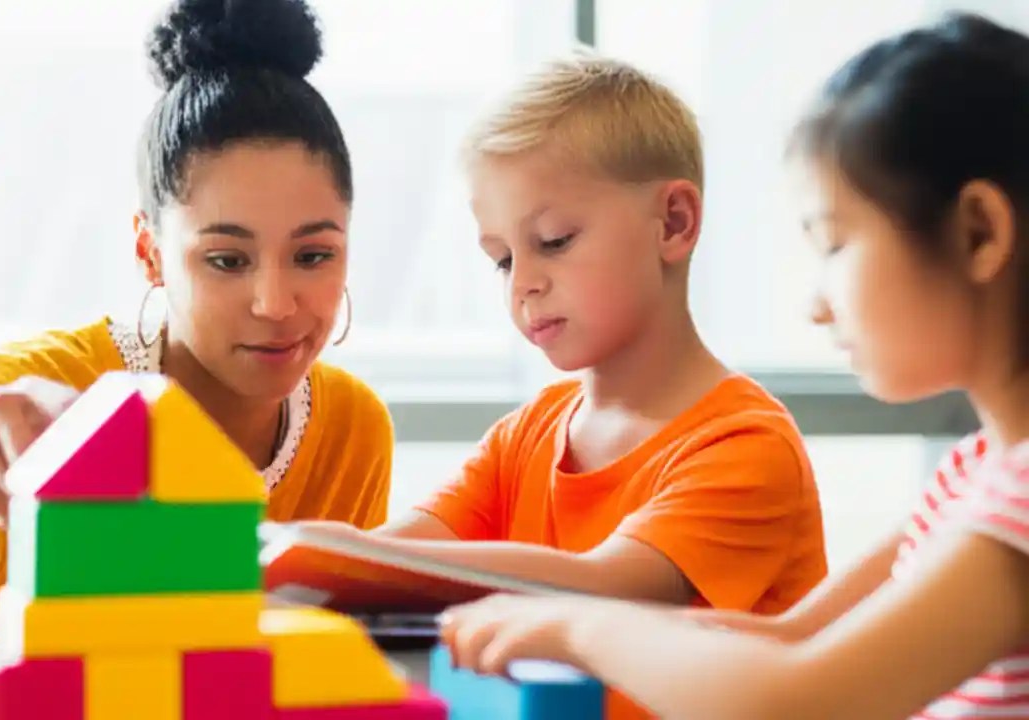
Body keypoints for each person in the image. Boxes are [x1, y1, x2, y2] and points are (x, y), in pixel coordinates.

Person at [441, 13, 1029, 720]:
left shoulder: (1018, 501)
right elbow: (782, 641)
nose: (818, 305)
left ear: (979, 233)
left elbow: (803, 696)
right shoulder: (972, 476)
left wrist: (582, 625)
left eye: (836, 246)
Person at [297, 49, 827, 720]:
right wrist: (277, 556)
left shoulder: (745, 447)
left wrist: (320, 558)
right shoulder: (524, 437)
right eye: (502, 261)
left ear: (674, 223)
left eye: (552, 241)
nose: (523, 284)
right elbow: (397, 557)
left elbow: (613, 587)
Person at [0, 0, 393, 628]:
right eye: (227, 260)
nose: (275, 304)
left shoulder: (353, 430)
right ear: (150, 254)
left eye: (313, 254)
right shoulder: (51, 387)